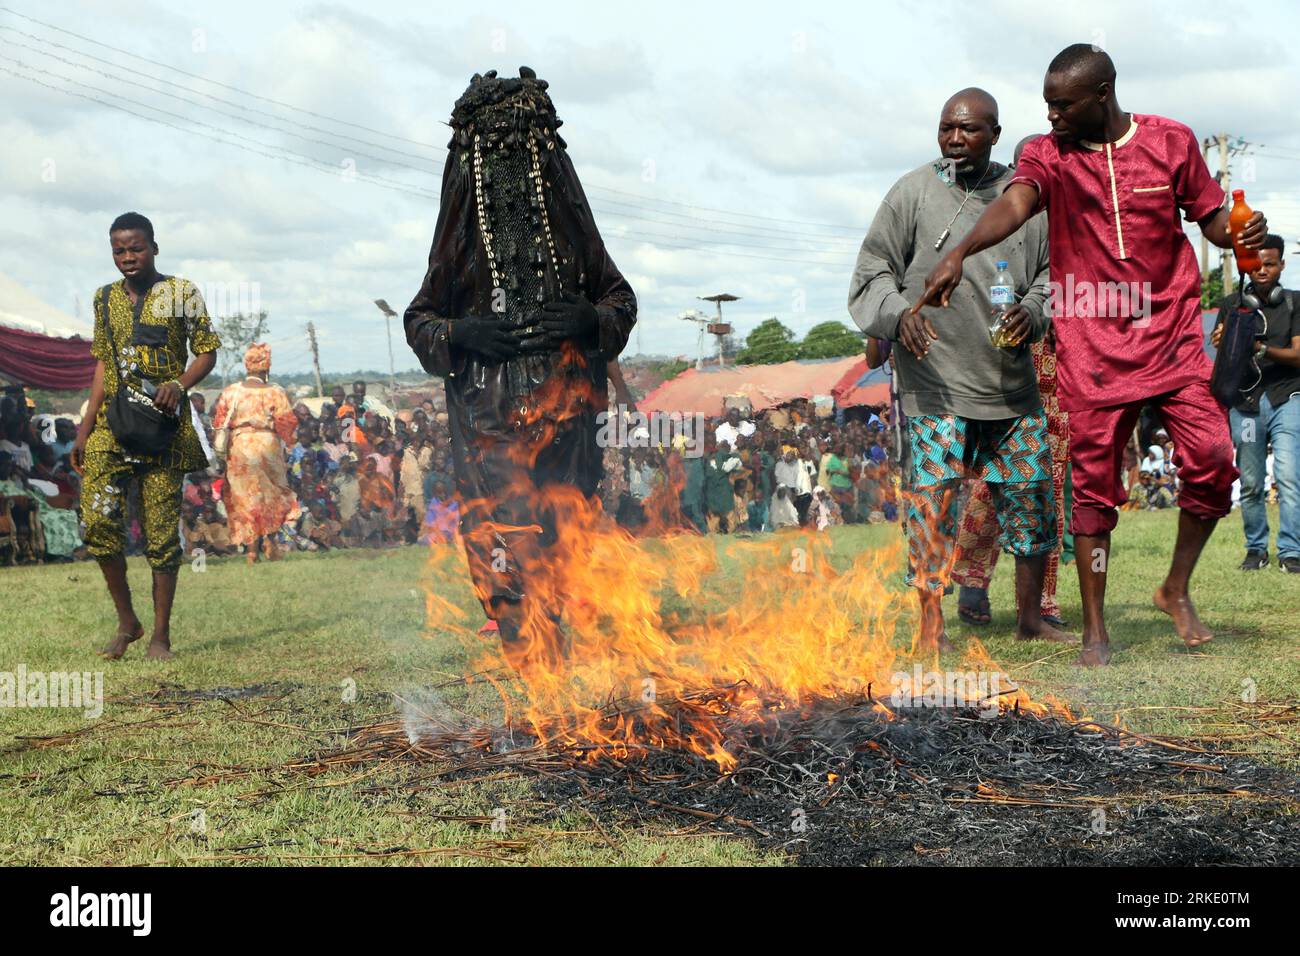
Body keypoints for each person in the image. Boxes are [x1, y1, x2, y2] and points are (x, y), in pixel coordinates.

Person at [915, 45, 1267, 665]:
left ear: (1102, 94)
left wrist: (1237, 232)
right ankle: (1095, 631)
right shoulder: (1045, 154)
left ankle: (1175, 588)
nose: (1049, 116)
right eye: (1046, 104)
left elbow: (1210, 218)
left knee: (1213, 459)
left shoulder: (1171, 142)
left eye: (1062, 105)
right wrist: (960, 251)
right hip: (1092, 346)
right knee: (1093, 492)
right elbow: (1017, 201)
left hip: (1172, 333)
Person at [404, 67, 636, 672]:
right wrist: (465, 333)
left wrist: (587, 320)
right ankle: (536, 691)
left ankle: (551, 678)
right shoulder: (460, 236)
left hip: (566, 431)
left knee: (558, 559)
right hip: (489, 433)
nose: (506, 151)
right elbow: (421, 321)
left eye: (523, 140)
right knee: (503, 559)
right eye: (491, 142)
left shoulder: (569, 231)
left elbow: (621, 302)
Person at [848, 88, 1071, 653]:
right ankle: (932, 625)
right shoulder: (911, 194)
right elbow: (872, 271)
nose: (953, 138)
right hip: (936, 387)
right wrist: (898, 318)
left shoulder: (1024, 199)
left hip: (1010, 386)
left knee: (1032, 499)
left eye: (968, 129)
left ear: (995, 134)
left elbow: (1050, 275)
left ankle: (1029, 617)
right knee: (934, 504)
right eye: (946, 127)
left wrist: (1035, 310)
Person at [71, 211, 221, 660]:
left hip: (163, 430)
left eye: (136, 248)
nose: (128, 257)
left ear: (154, 247)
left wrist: (179, 384)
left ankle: (160, 637)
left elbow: (208, 352)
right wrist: (84, 428)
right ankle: (127, 623)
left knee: (159, 536)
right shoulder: (103, 300)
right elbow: (103, 363)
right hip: (111, 428)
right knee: (97, 522)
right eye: (119, 250)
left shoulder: (181, 292)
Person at [1210, 234, 1299, 572]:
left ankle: (1290, 552)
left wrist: (1258, 349)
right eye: (1257, 263)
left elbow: (1297, 354)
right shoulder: (1232, 304)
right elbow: (1223, 351)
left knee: (1289, 476)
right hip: (1245, 403)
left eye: (1271, 263)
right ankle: (1256, 549)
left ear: (1281, 266)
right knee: (1249, 481)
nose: (1263, 270)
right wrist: (1221, 341)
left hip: (1287, 398)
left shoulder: (1294, 302)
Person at [211, 343, 300, 564]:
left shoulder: (231, 392)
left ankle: (251, 551)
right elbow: (287, 424)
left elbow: (220, 421)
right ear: (266, 367)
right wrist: (289, 442)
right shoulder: (275, 392)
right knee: (271, 495)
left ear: (247, 365)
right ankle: (270, 542)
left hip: (241, 448)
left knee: (246, 498)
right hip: (268, 447)